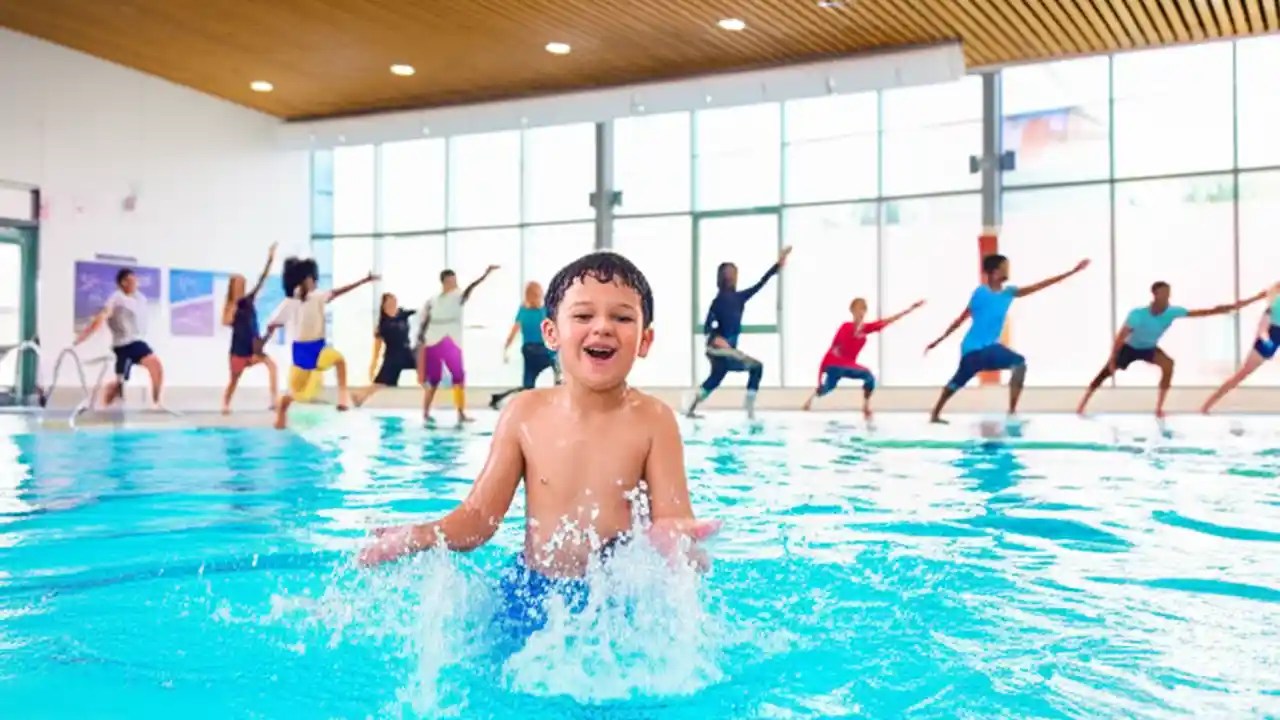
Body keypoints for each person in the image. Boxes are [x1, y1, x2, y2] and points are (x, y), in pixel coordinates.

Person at [359, 251, 719, 636]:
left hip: (613, 597)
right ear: (551, 333)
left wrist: (676, 544)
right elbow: (479, 518)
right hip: (532, 592)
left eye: (622, 317)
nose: (602, 328)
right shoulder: (524, 413)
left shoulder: (654, 420)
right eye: (583, 316)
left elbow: (673, 518)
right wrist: (419, 536)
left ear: (644, 339)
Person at [925, 254, 1090, 424]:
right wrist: (939, 340)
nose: (1008, 270)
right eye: (1005, 267)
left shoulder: (1009, 292)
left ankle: (1010, 412)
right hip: (974, 349)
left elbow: (1039, 286)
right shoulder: (980, 293)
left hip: (985, 348)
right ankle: (936, 414)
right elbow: (961, 319)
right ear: (995, 272)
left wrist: (1072, 272)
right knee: (959, 381)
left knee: (1016, 365)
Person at [1077, 281, 1268, 417]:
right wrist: (1112, 360)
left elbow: (1204, 312)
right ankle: (1082, 405)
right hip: (1129, 347)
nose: (1168, 296)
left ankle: (1159, 408)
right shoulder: (1138, 314)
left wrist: (1236, 305)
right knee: (1103, 375)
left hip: (1149, 348)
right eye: (1164, 293)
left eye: (1169, 293)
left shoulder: (1172, 312)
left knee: (1168, 365)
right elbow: (1120, 337)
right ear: (1155, 295)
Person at [262, 257, 377, 429]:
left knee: (339, 360)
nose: (315, 282)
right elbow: (272, 323)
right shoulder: (290, 303)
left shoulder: (317, 296)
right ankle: (281, 413)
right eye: (312, 279)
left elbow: (338, 292)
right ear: (303, 280)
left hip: (318, 348)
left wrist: (364, 281)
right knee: (297, 395)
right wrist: (264, 340)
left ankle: (343, 400)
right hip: (301, 353)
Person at [684, 246, 793, 420]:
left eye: (733, 273)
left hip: (723, 355)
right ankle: (749, 407)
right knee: (757, 367)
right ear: (723, 278)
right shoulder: (720, 301)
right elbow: (707, 327)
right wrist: (716, 338)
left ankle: (689, 409)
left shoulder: (738, 298)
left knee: (715, 379)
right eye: (729, 273)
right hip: (719, 351)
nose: (732, 276)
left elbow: (761, 283)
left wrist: (778, 265)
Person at [802, 298, 925, 418]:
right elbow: (834, 348)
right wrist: (819, 376)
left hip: (847, 365)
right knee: (866, 374)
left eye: (862, 309)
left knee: (832, 386)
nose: (860, 312)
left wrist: (911, 309)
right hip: (834, 364)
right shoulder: (845, 327)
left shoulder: (866, 328)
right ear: (852, 311)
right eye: (857, 310)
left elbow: (887, 321)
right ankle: (863, 407)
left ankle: (810, 402)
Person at [416, 265, 499, 426]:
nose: (454, 283)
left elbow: (470, 289)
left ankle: (461, 413)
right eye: (451, 280)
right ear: (444, 282)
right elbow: (425, 319)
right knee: (433, 380)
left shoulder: (458, 296)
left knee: (458, 377)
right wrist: (421, 338)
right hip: (433, 341)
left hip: (451, 341)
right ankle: (425, 413)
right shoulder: (433, 300)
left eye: (455, 280)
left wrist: (484, 275)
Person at [74, 267, 165, 410]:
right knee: (119, 384)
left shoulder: (140, 298)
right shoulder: (116, 298)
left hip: (136, 343)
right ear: (123, 283)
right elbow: (101, 317)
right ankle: (103, 407)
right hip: (123, 346)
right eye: (131, 280)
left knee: (155, 366)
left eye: (136, 280)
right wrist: (82, 337)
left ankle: (156, 403)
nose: (135, 282)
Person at [1201, 282, 1280, 414]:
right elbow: (1262, 328)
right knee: (1241, 375)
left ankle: (1207, 405)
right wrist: (1267, 342)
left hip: (1272, 336)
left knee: (1241, 374)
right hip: (1270, 337)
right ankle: (1207, 405)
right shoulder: (1273, 305)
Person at [220, 243, 280, 414]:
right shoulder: (231, 306)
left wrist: (270, 259)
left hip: (253, 348)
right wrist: (233, 307)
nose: (242, 287)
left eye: (243, 284)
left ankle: (274, 400)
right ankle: (225, 404)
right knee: (233, 381)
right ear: (233, 288)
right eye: (238, 285)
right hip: (238, 351)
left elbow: (262, 280)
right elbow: (225, 322)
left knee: (272, 365)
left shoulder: (249, 299)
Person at [489, 281, 561, 409]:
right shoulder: (544, 311)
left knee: (529, 381)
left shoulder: (523, 311)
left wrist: (506, 347)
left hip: (530, 350)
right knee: (557, 365)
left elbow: (514, 330)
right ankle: (557, 395)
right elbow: (554, 331)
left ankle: (528, 400)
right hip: (543, 350)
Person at [353, 293, 417, 407]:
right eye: (390, 301)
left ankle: (434, 392)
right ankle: (359, 396)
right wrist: (373, 363)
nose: (393, 303)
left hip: (406, 353)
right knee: (381, 383)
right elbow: (377, 347)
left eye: (394, 301)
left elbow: (418, 313)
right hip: (393, 358)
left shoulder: (403, 314)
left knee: (424, 365)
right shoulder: (383, 325)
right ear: (384, 305)